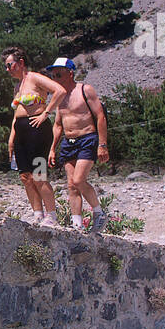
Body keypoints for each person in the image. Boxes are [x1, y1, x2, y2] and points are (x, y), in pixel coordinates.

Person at [2, 46, 67, 225]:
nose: (7, 70)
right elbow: (17, 113)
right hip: (21, 131)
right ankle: (37, 213)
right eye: (6, 67)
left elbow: (59, 91)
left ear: (21, 62)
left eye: (10, 65)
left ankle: (51, 215)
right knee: (25, 176)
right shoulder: (18, 86)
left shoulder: (35, 78)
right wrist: (11, 138)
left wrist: (46, 113)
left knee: (39, 174)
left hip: (36, 129)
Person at [45, 57, 109, 232]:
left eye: (58, 74)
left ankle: (98, 212)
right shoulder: (59, 97)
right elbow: (58, 124)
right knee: (72, 185)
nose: (55, 78)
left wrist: (102, 144)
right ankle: (77, 224)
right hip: (68, 141)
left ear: (70, 73)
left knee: (79, 180)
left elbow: (100, 116)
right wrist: (52, 148)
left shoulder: (85, 90)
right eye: (53, 75)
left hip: (87, 139)